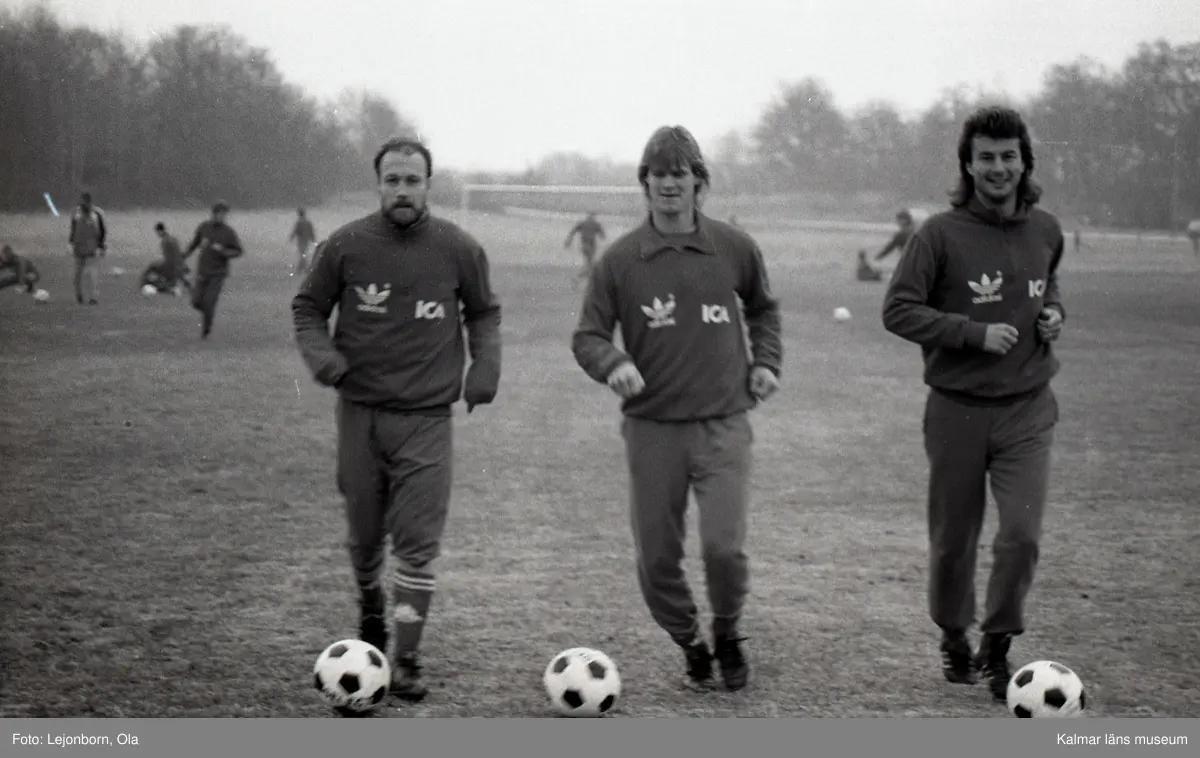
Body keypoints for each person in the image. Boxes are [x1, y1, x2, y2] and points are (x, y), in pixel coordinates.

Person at [571, 126, 783, 692]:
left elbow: (764, 310)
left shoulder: (733, 247)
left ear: (699, 183)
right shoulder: (620, 260)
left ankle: (729, 631)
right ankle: (690, 641)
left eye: (679, 173)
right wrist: (613, 362)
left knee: (724, 548)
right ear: (644, 184)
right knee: (658, 558)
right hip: (652, 429)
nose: (669, 184)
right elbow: (587, 335)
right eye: (658, 174)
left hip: (724, 424)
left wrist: (767, 362)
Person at [292, 136, 502, 703]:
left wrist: (485, 368)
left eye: (413, 180)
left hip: (427, 418)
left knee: (416, 543)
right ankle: (370, 608)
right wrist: (323, 358)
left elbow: (484, 312)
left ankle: (406, 657)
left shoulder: (459, 248)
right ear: (378, 184)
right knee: (364, 539)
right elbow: (308, 307)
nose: (403, 190)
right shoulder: (346, 245)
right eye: (393, 180)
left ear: (428, 185)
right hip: (360, 413)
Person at [881, 105, 1066, 701]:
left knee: (1022, 533)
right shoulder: (938, 234)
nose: (997, 168)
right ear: (968, 163)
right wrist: (970, 332)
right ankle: (953, 633)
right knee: (954, 538)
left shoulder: (1046, 229)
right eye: (985, 157)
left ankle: (998, 644)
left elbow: (1047, 282)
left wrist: (1054, 313)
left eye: (1008, 155)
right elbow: (898, 309)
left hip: (1027, 407)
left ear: (1024, 161)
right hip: (957, 408)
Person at [182, 201, 243, 338]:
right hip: (203, 271)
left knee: (209, 301)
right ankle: (208, 314)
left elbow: (238, 251)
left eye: (224, 214)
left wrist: (224, 252)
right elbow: (194, 244)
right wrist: (184, 255)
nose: (222, 217)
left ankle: (206, 329)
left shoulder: (229, 232)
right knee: (195, 301)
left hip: (218, 274)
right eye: (219, 213)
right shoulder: (204, 228)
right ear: (213, 214)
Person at [69, 192, 107, 305]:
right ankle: (79, 294)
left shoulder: (97, 214)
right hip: (78, 247)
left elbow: (102, 231)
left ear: (89, 202)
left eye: (84, 202)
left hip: (92, 246)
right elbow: (73, 230)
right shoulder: (76, 213)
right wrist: (70, 244)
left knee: (91, 273)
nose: (82, 204)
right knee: (77, 273)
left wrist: (101, 246)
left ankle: (93, 296)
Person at [140, 222, 186, 295]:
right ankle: (171, 285)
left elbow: (169, 259)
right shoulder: (173, 239)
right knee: (159, 275)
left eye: (157, 232)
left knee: (152, 268)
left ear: (159, 231)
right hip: (179, 267)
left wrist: (163, 268)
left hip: (172, 267)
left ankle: (144, 285)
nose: (157, 234)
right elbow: (178, 254)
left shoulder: (165, 241)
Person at [563, 211, 605, 289]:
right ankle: (577, 279)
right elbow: (602, 235)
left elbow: (573, 231)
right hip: (591, 247)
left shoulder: (583, 223)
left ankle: (580, 281)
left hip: (584, 246)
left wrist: (568, 241)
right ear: (593, 217)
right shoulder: (596, 224)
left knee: (589, 265)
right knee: (590, 266)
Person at [289, 207, 318, 276]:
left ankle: (302, 268)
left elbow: (296, 231)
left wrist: (291, 237)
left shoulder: (299, 222)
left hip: (301, 240)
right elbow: (311, 231)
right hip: (306, 240)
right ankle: (304, 268)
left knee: (302, 254)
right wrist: (313, 239)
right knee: (303, 254)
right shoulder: (308, 222)